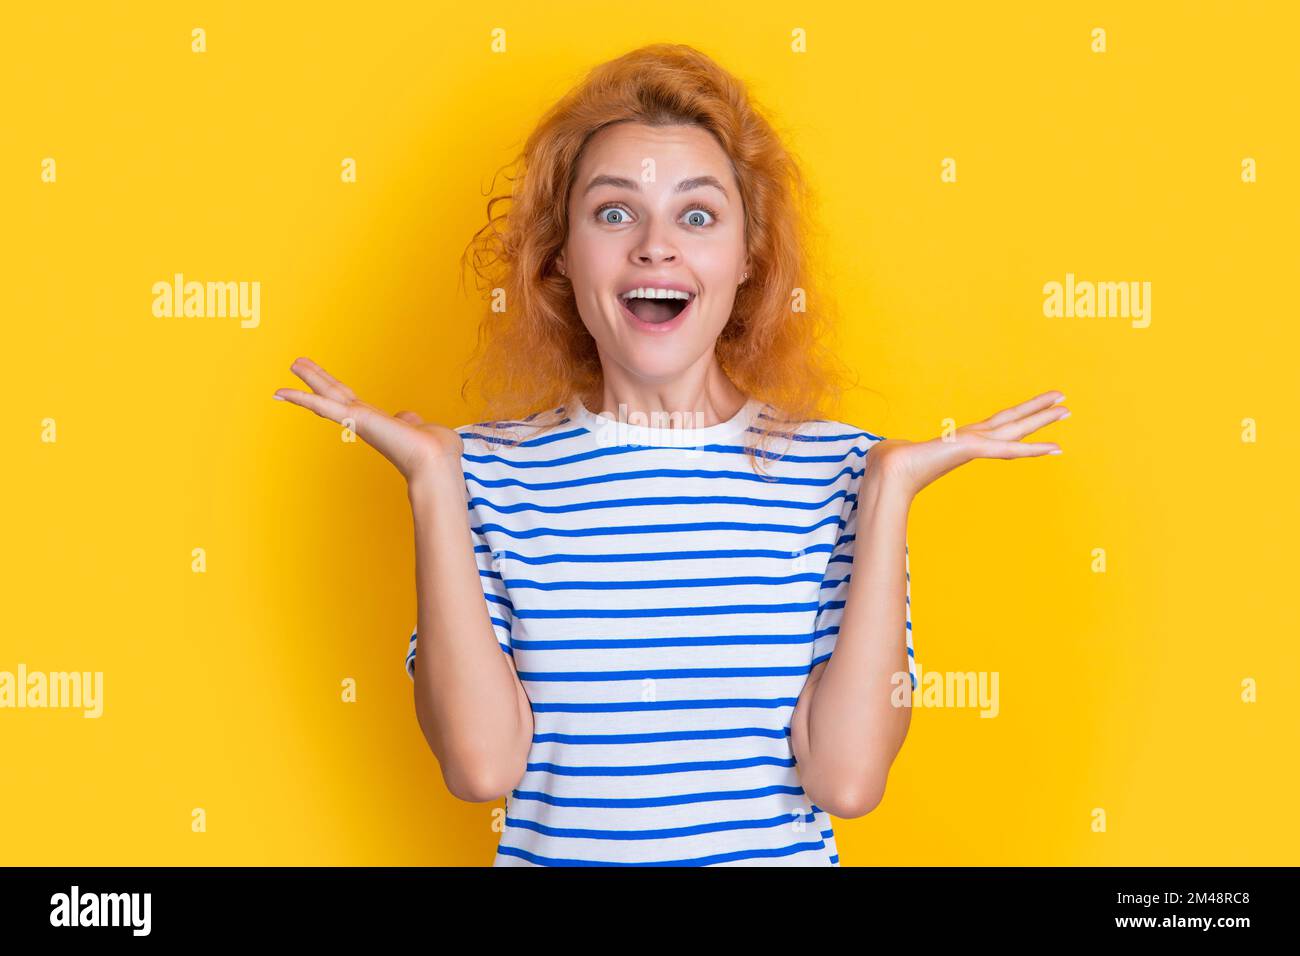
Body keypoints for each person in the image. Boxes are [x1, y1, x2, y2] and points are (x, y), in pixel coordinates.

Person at [273, 43, 1067, 866]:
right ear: (560, 254)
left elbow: (848, 781)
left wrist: (889, 494)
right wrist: (434, 483)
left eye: (697, 215)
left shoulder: (846, 475)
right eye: (614, 213)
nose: (656, 247)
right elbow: (479, 769)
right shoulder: (480, 474)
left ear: (747, 257)